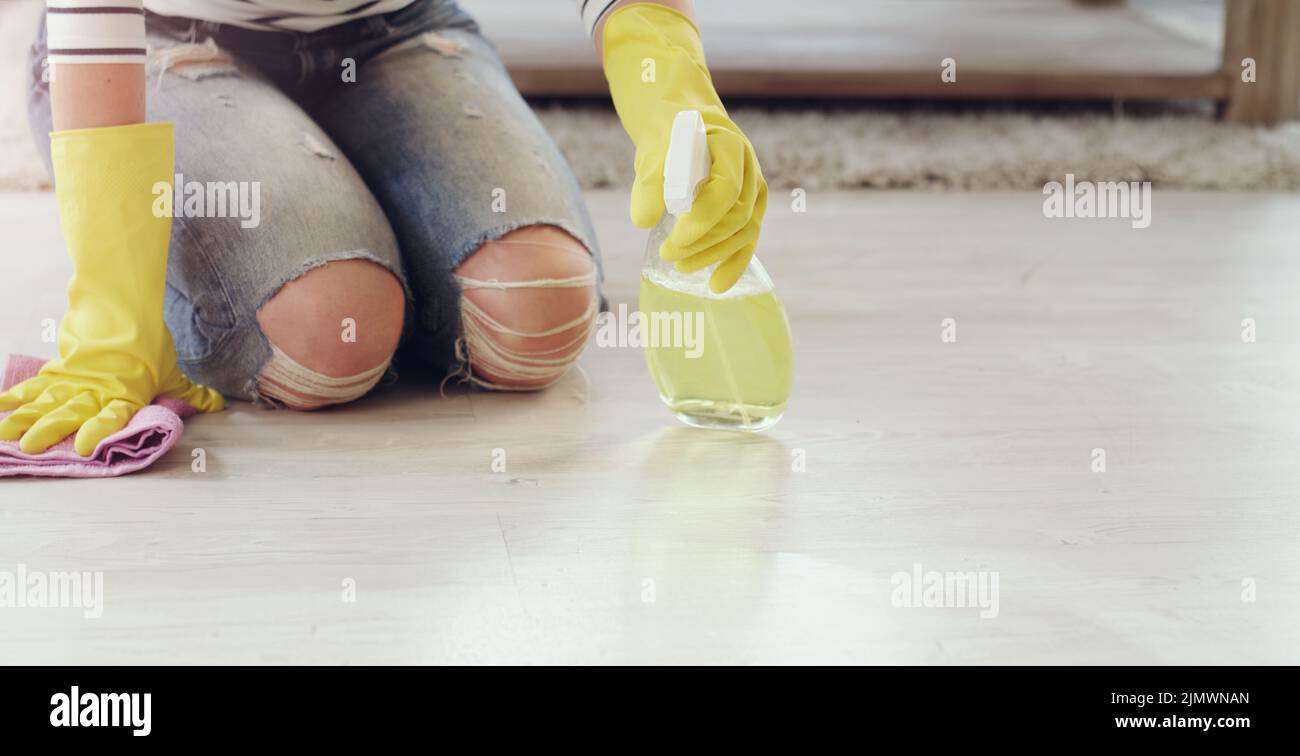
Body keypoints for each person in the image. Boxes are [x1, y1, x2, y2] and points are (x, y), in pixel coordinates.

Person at [1, 0, 768, 455]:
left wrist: (666, 76)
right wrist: (114, 317)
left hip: (394, 31)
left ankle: (364, 241)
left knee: (539, 310)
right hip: (167, 39)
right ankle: (328, 270)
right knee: (330, 331)